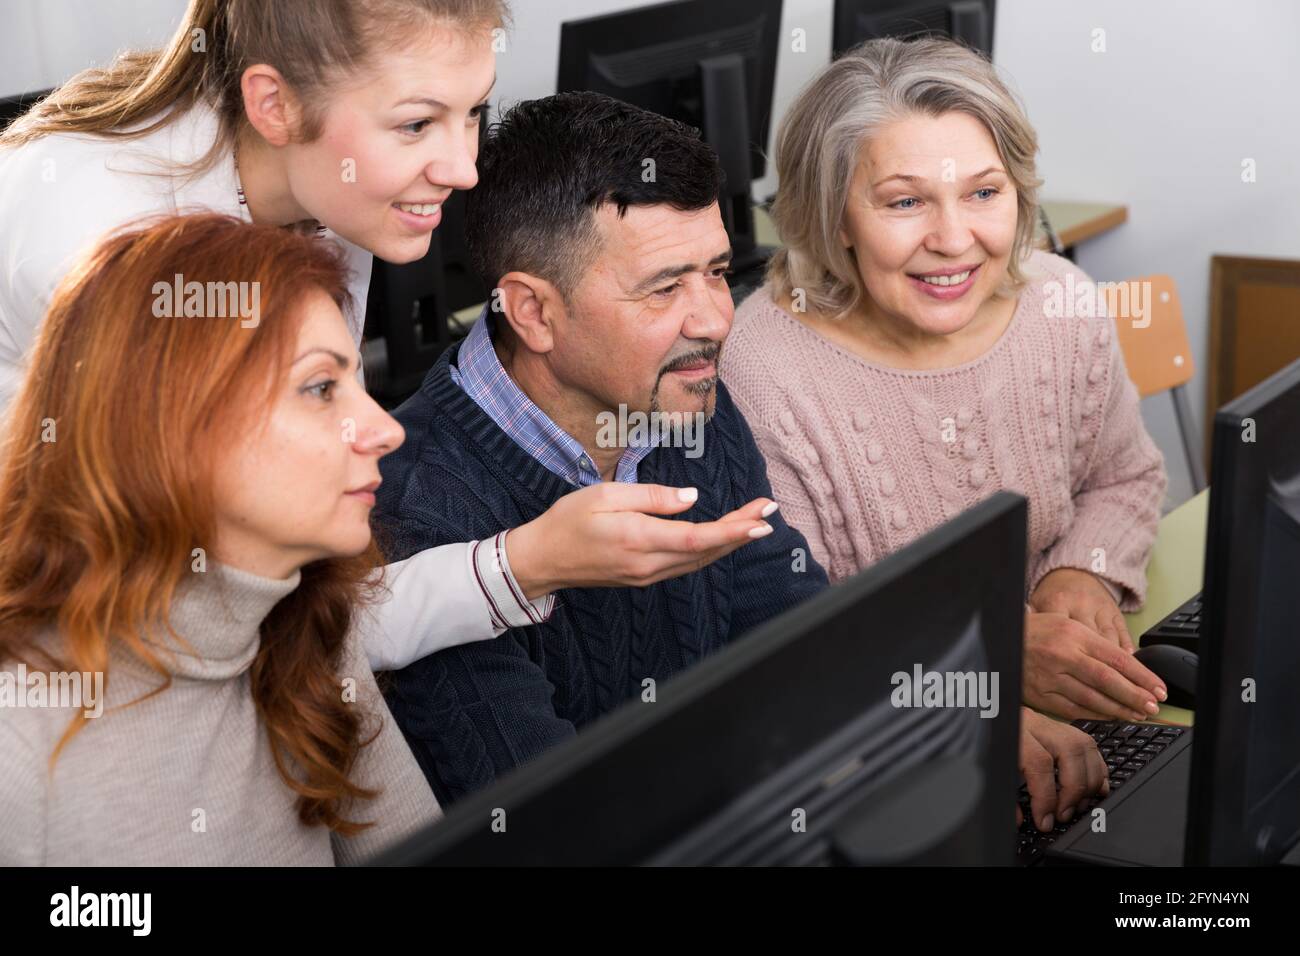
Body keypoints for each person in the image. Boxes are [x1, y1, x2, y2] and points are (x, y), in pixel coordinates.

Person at [0, 0, 770, 678]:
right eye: (416, 123)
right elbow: (256, 628)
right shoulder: (112, 256)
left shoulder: (330, 188)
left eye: (473, 113)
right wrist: (526, 565)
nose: (465, 168)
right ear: (273, 105)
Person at [373, 92, 829, 805]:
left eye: (715, 270)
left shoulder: (678, 391)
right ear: (533, 313)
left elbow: (800, 633)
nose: (714, 317)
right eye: (664, 287)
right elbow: (552, 823)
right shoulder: (414, 516)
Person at [718, 37, 1170, 725]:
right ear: (834, 215)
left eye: (984, 193)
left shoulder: (1061, 300)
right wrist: (988, 662)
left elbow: (1123, 477)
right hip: (895, 731)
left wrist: (1082, 570)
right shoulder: (764, 369)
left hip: (1066, 692)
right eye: (905, 203)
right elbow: (793, 633)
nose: (954, 238)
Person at [0, 214, 436, 865]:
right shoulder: (20, 735)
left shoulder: (306, 627)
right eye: (321, 388)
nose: (383, 430)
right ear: (172, 425)